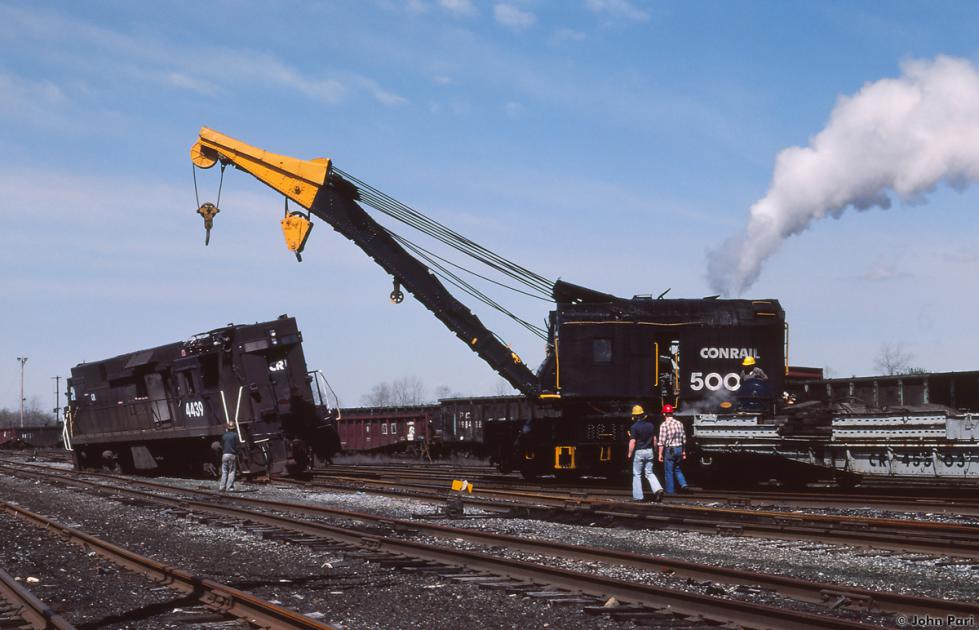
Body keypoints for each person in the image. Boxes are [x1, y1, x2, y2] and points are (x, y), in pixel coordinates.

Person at [627, 405, 664, 502]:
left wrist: (629, 453)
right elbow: (655, 440)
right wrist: (655, 451)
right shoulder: (650, 425)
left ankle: (638, 497)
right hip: (649, 451)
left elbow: (633, 442)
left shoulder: (634, 427)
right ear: (643, 414)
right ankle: (658, 489)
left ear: (635, 416)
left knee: (637, 474)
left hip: (639, 452)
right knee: (649, 472)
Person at [658, 404, 690, 494]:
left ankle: (670, 491)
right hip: (679, 449)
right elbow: (684, 439)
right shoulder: (679, 423)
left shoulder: (664, 425)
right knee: (678, 469)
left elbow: (661, 442)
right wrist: (683, 452)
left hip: (670, 450)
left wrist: (660, 454)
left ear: (664, 414)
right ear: (672, 413)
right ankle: (684, 484)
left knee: (669, 471)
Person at [218, 422, 240, 492]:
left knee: (224, 471)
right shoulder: (235, 435)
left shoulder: (224, 435)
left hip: (224, 455)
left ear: (228, 428)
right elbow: (237, 446)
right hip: (232, 454)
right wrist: (237, 453)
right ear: (234, 428)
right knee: (231, 471)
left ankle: (221, 487)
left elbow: (222, 445)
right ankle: (229, 487)